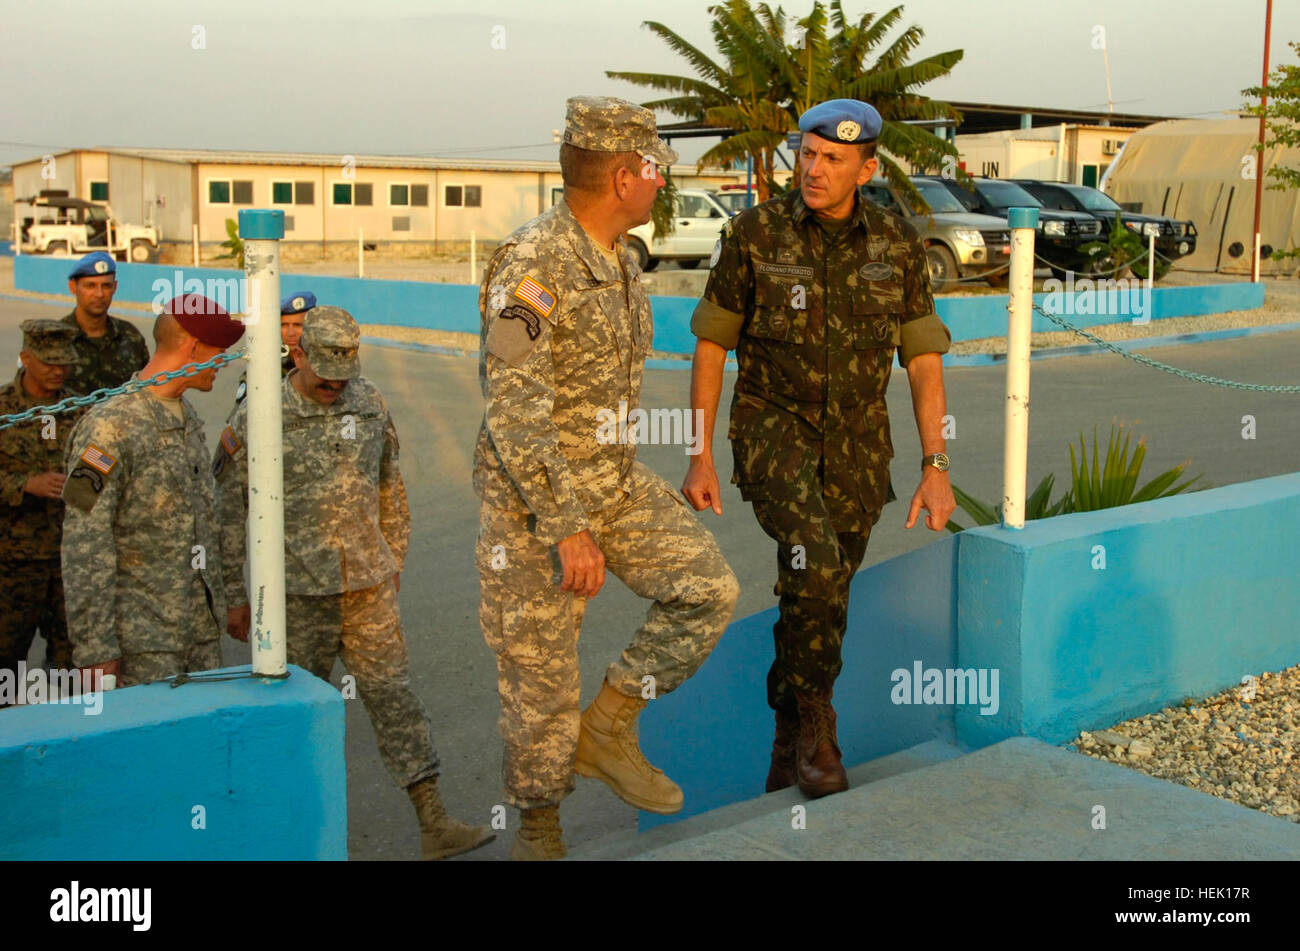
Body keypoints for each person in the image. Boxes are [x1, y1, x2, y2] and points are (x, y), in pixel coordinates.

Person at [475, 96, 740, 860]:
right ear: (625, 175)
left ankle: (612, 723)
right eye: (656, 169)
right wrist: (566, 525)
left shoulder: (623, 262)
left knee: (706, 588)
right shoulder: (534, 264)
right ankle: (540, 833)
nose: (663, 183)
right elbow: (513, 410)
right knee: (541, 688)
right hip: (537, 505)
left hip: (613, 481)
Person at [682, 99, 957, 799]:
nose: (813, 169)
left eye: (833, 159)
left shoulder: (897, 244)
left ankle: (784, 734)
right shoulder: (755, 233)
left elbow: (924, 359)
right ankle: (817, 724)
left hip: (862, 446)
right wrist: (700, 452)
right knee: (817, 561)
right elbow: (712, 341)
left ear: (866, 167)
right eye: (806, 154)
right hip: (775, 429)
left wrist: (936, 465)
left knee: (821, 589)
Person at [215, 306, 492, 861]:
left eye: (344, 375)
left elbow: (391, 485)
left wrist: (395, 560)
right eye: (324, 377)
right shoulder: (261, 413)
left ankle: (433, 823)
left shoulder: (368, 402)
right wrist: (235, 595)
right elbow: (226, 510)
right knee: (288, 715)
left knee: (396, 701)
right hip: (295, 595)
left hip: (367, 587)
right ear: (298, 355)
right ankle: (272, 835)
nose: (334, 388)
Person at [61, 294, 242, 688]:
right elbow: (84, 543)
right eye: (219, 350)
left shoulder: (187, 415)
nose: (225, 362)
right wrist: (95, 648)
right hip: (143, 644)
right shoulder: (110, 426)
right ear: (193, 346)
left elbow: (206, 521)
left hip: (199, 633)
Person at [0, 320, 83, 696]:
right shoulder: (4, 410)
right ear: (24, 358)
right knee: (6, 664)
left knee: (74, 665)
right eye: (48, 362)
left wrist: (81, 486)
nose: (57, 371)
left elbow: (99, 464)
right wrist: (24, 485)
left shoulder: (78, 409)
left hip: (70, 561)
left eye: (64, 363)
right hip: (13, 565)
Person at [60, 251, 150, 396]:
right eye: (90, 286)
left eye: (106, 286)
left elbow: (146, 389)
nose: (99, 294)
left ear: (115, 287)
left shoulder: (130, 336)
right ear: (73, 287)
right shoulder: (55, 338)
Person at [226, 290, 314, 420]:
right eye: (284, 325)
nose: (290, 333)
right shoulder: (265, 368)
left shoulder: (327, 364)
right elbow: (237, 421)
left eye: (297, 325)